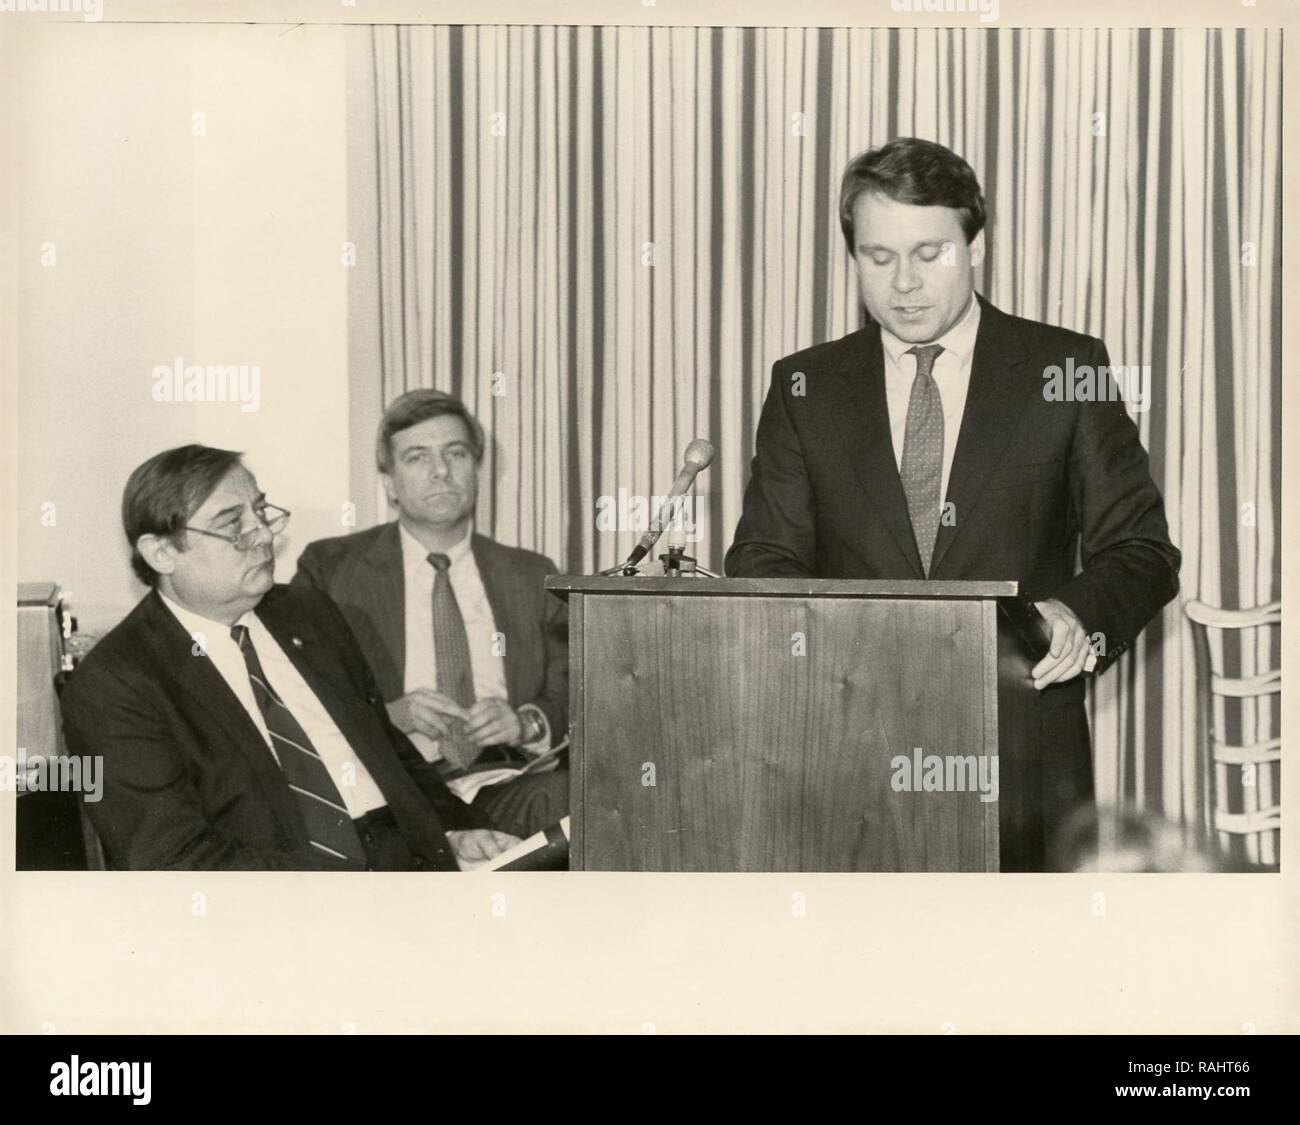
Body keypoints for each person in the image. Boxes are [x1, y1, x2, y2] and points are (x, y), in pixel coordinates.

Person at [726, 137, 1181, 871]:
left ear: (976, 245)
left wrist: (1075, 613)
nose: (904, 282)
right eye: (879, 257)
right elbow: (762, 561)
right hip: (847, 756)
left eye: (929, 253)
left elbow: (1143, 551)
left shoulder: (1065, 369)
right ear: (853, 258)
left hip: (1023, 757)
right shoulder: (803, 387)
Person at [60, 445, 517, 870]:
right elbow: (172, 859)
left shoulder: (308, 614)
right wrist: (353, 889)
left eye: (260, 511)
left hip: (406, 862)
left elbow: (389, 752)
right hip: (284, 900)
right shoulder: (115, 685)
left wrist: (454, 832)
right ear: (161, 552)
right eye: (232, 524)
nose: (261, 535)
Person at [293, 390, 569, 841]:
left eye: (455, 453)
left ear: (476, 470)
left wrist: (526, 721)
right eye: (417, 457)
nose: (441, 472)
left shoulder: (531, 572)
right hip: (392, 790)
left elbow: (573, 682)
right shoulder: (330, 569)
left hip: (507, 780)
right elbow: (298, 691)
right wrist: (387, 716)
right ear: (388, 482)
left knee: (578, 801)